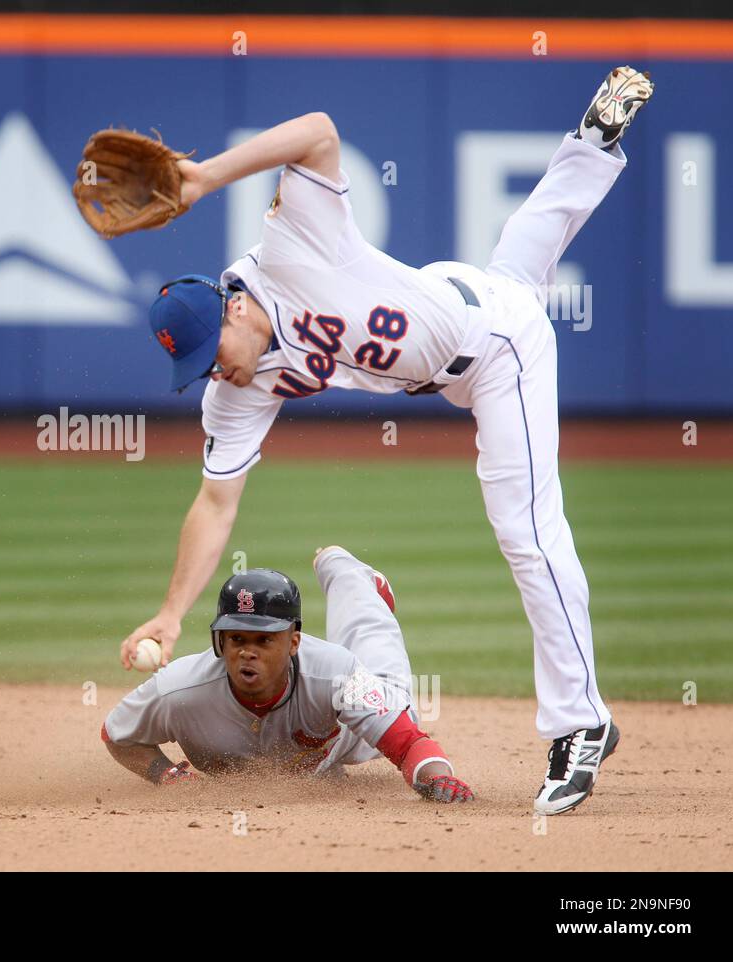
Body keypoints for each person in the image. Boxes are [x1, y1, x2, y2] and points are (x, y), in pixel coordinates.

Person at [120, 67, 653, 814]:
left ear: (235, 308)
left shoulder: (290, 242)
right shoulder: (240, 388)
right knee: (518, 270)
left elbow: (317, 129)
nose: (215, 371)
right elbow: (214, 502)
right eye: (198, 367)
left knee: (526, 528)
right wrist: (172, 613)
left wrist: (203, 177)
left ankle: (580, 724)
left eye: (213, 352)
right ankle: (591, 146)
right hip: (457, 316)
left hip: (499, 349)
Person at [104, 547, 474, 803]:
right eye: (236, 638)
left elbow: (409, 742)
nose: (248, 651)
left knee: (389, 682)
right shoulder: (179, 689)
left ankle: (349, 575)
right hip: (309, 762)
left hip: (344, 737)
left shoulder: (335, 675)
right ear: (219, 641)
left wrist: (435, 777)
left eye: (264, 639)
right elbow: (118, 735)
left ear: (294, 641)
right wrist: (165, 775)